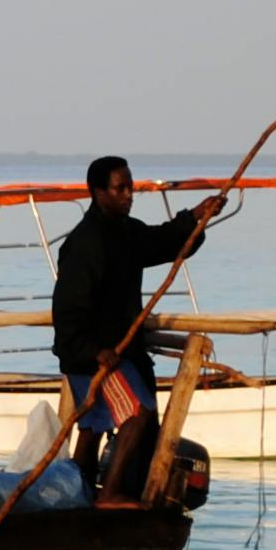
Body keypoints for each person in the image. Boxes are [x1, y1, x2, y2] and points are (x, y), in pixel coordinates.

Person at [49, 156, 221, 503]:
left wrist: (196, 218)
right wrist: (93, 350)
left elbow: (163, 241)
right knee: (136, 412)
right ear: (99, 192)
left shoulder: (125, 233)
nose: (129, 195)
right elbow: (67, 310)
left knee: (93, 426)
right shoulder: (85, 245)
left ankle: (79, 496)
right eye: (120, 188)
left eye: (130, 187)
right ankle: (109, 493)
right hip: (92, 355)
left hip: (114, 351)